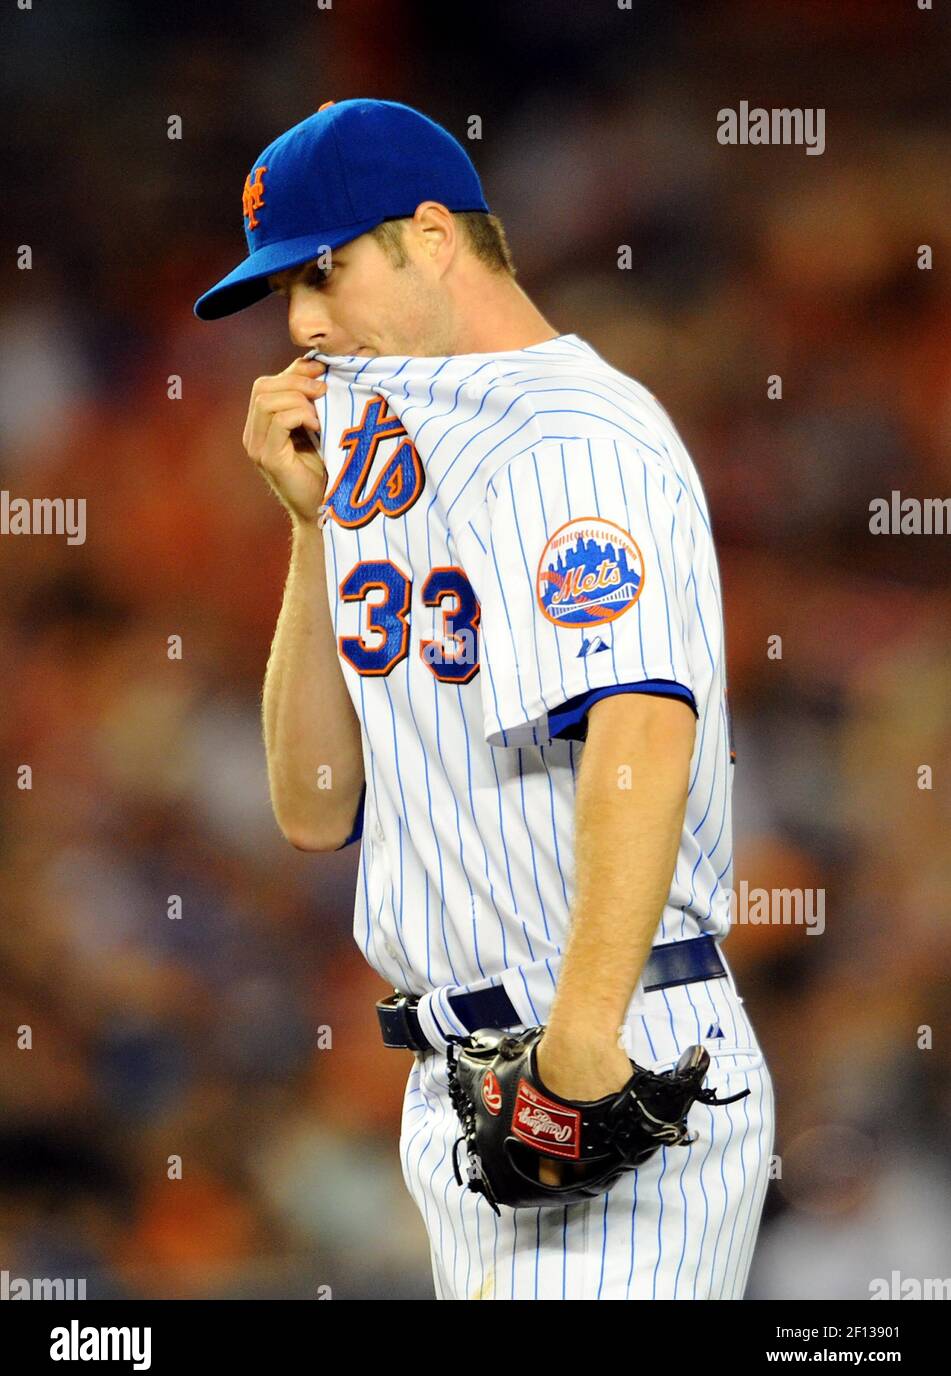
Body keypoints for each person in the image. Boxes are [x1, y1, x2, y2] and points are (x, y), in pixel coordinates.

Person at [194, 98, 775, 1300]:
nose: (302, 322)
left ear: (433, 235)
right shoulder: (373, 456)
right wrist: (311, 533)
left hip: (613, 1045)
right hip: (457, 1085)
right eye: (283, 291)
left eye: (324, 273)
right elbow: (313, 807)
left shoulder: (570, 438)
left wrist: (581, 1041)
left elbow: (642, 731)